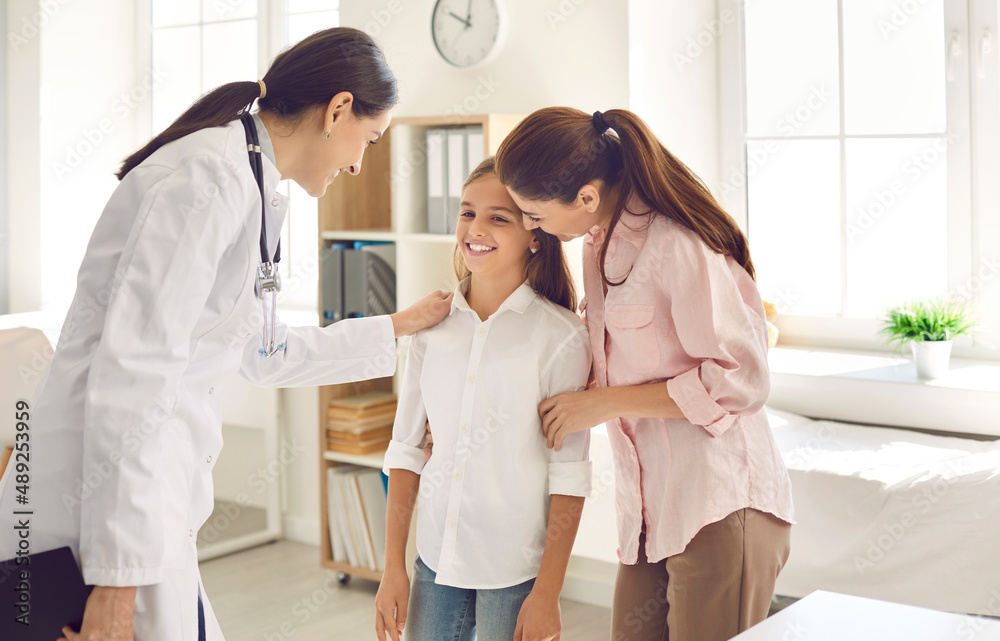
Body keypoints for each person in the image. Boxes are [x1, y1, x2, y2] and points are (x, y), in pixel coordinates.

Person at [0, 27, 452, 641]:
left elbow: (262, 352)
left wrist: (397, 328)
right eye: (368, 140)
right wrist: (117, 576)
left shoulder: (254, 184)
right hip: (99, 501)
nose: (358, 163)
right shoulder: (207, 177)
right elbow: (133, 371)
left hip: (148, 501)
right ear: (338, 109)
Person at [494, 107, 795, 641]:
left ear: (585, 196)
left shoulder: (676, 244)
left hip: (719, 503)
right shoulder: (595, 242)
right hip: (650, 509)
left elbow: (742, 379)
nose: (530, 226)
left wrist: (607, 403)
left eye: (534, 214)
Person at [374, 158, 593, 641]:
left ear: (535, 234)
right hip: (435, 557)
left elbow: (570, 474)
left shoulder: (560, 336)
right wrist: (392, 567)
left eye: (498, 217)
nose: (475, 229)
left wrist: (548, 594)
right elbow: (406, 450)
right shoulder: (430, 327)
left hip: (515, 568)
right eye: (467, 212)